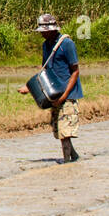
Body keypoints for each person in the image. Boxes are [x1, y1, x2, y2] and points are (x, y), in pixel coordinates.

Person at [17, 13, 82, 163]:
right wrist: (30, 87)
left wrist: (65, 96)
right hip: (54, 93)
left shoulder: (67, 44)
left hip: (68, 94)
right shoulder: (46, 45)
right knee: (60, 130)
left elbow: (75, 71)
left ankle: (67, 163)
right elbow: (44, 69)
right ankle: (74, 157)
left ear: (52, 30)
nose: (42, 35)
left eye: (44, 32)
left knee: (65, 133)